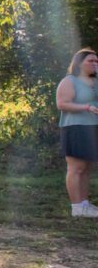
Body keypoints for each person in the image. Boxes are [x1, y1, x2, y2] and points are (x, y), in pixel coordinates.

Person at [56, 47, 98, 218]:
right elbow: (62, 104)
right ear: (79, 64)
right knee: (76, 168)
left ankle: (85, 204)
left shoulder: (96, 81)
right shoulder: (70, 81)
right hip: (75, 127)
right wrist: (86, 107)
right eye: (91, 61)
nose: (95, 64)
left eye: (97, 61)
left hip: (93, 127)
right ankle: (77, 207)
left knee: (87, 167)